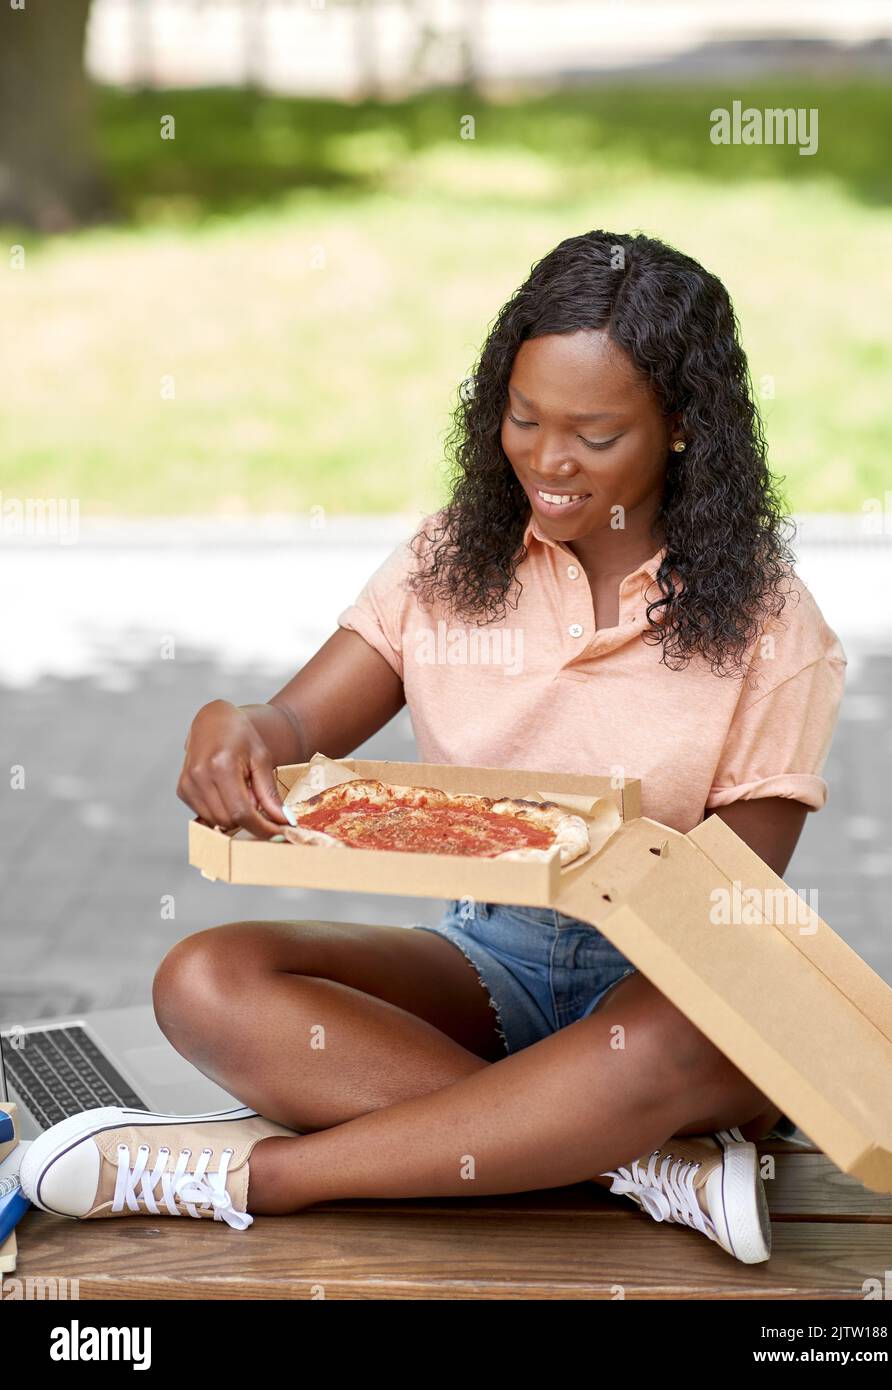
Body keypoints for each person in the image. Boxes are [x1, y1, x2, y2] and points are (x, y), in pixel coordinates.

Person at [21, 230, 846, 1265]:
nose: (547, 460)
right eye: (524, 417)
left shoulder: (773, 623)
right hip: (489, 963)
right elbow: (289, 728)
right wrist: (233, 726)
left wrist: (593, 848)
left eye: (594, 434)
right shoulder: (450, 560)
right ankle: (630, 1162)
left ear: (682, 427)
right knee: (206, 977)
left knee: (669, 1042)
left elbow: (728, 900)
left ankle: (263, 1177)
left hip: (668, 983)